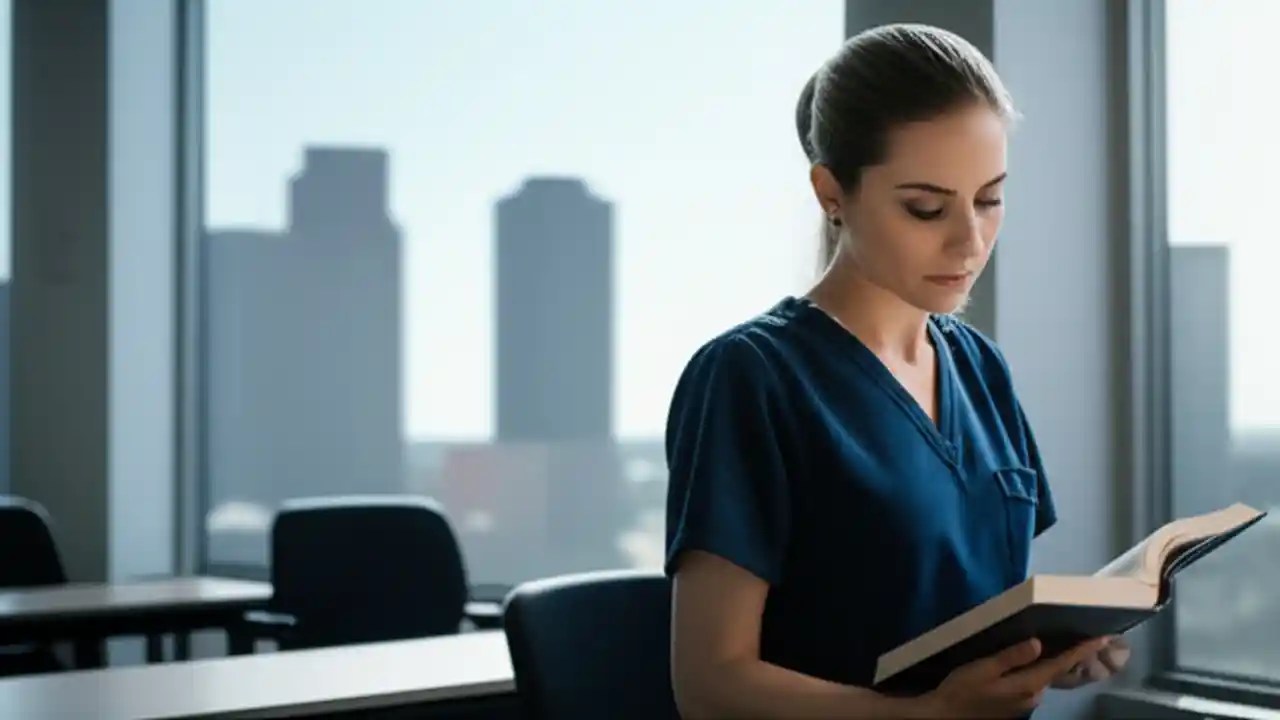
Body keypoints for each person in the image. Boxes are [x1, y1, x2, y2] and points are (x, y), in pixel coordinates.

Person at [663, 23, 1129, 719]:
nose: (969, 240)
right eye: (926, 207)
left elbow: (959, 626)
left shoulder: (979, 368)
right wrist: (925, 716)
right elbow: (709, 684)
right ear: (832, 194)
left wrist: (1046, 655)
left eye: (990, 198)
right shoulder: (750, 378)